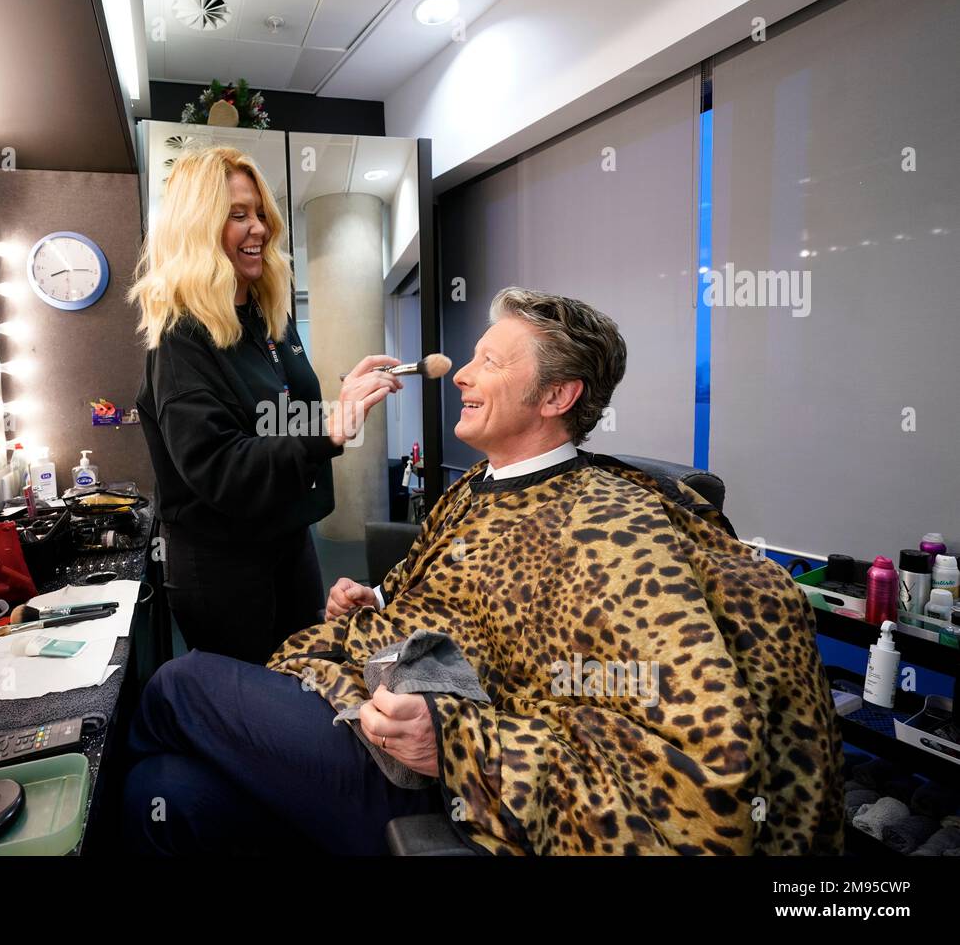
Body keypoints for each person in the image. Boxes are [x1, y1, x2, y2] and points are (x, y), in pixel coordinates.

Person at [122, 287, 843, 856]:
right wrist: (375, 598)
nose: (461, 373)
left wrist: (461, 748)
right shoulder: (477, 486)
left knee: (180, 682)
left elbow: (699, 789)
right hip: (378, 712)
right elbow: (448, 594)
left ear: (558, 397)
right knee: (164, 794)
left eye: (491, 363)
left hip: (456, 793)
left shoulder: (616, 539)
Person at [131, 146, 401, 665]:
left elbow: (282, 416)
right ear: (199, 228)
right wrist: (330, 429)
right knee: (257, 712)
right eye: (238, 215)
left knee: (307, 675)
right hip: (223, 566)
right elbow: (219, 466)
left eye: (260, 213)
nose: (259, 228)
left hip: (288, 540)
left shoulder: (266, 319)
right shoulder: (181, 339)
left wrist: (340, 404)